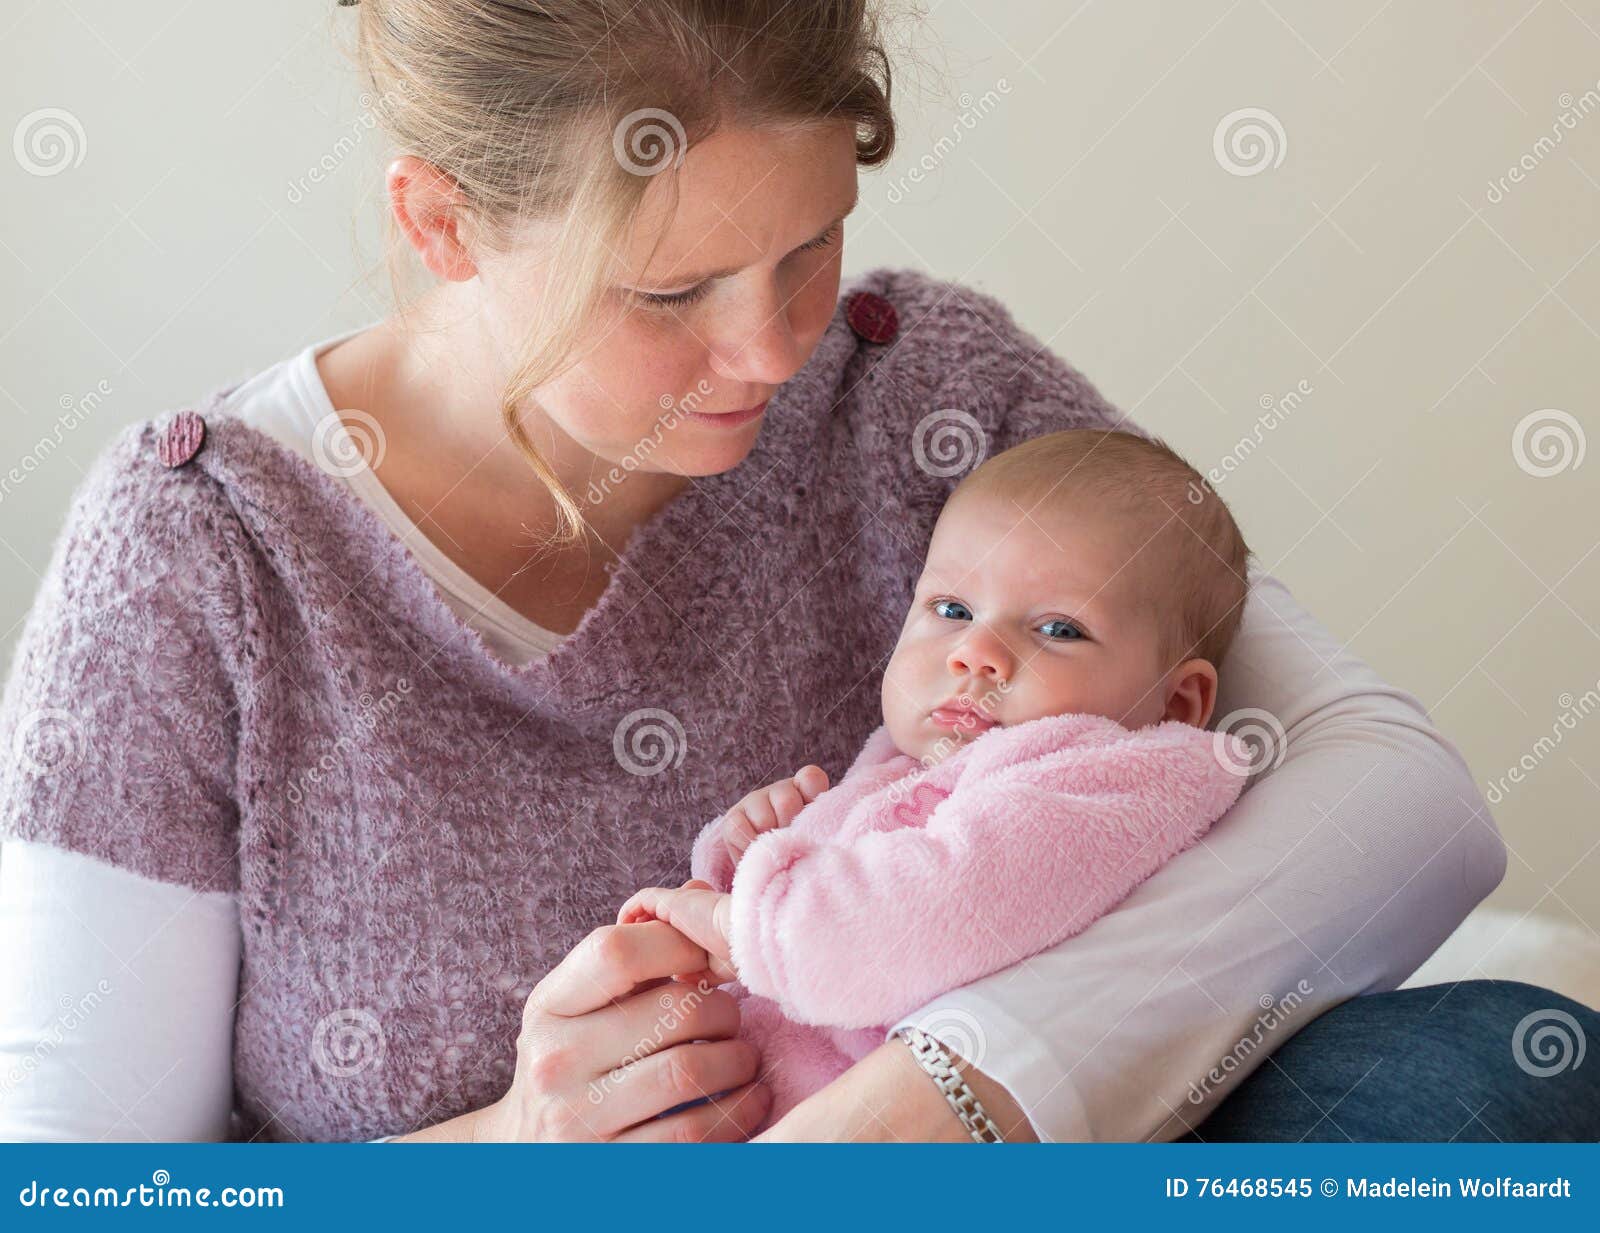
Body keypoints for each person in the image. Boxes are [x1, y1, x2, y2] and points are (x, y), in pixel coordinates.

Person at [0, 0, 1588, 1143]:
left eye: (809, 245)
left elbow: (1400, 798)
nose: (770, 350)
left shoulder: (920, 389)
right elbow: (93, 1197)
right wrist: (512, 1157)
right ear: (443, 221)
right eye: (672, 288)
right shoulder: (201, 553)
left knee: (1500, 1074)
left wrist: (944, 1098)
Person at [618, 428, 1258, 1131]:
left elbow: (912, 915)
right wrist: (744, 857)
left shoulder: (1100, 782)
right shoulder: (907, 760)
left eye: (1059, 628)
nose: (976, 652)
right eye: (952, 610)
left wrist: (733, 925)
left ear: (1178, 702)